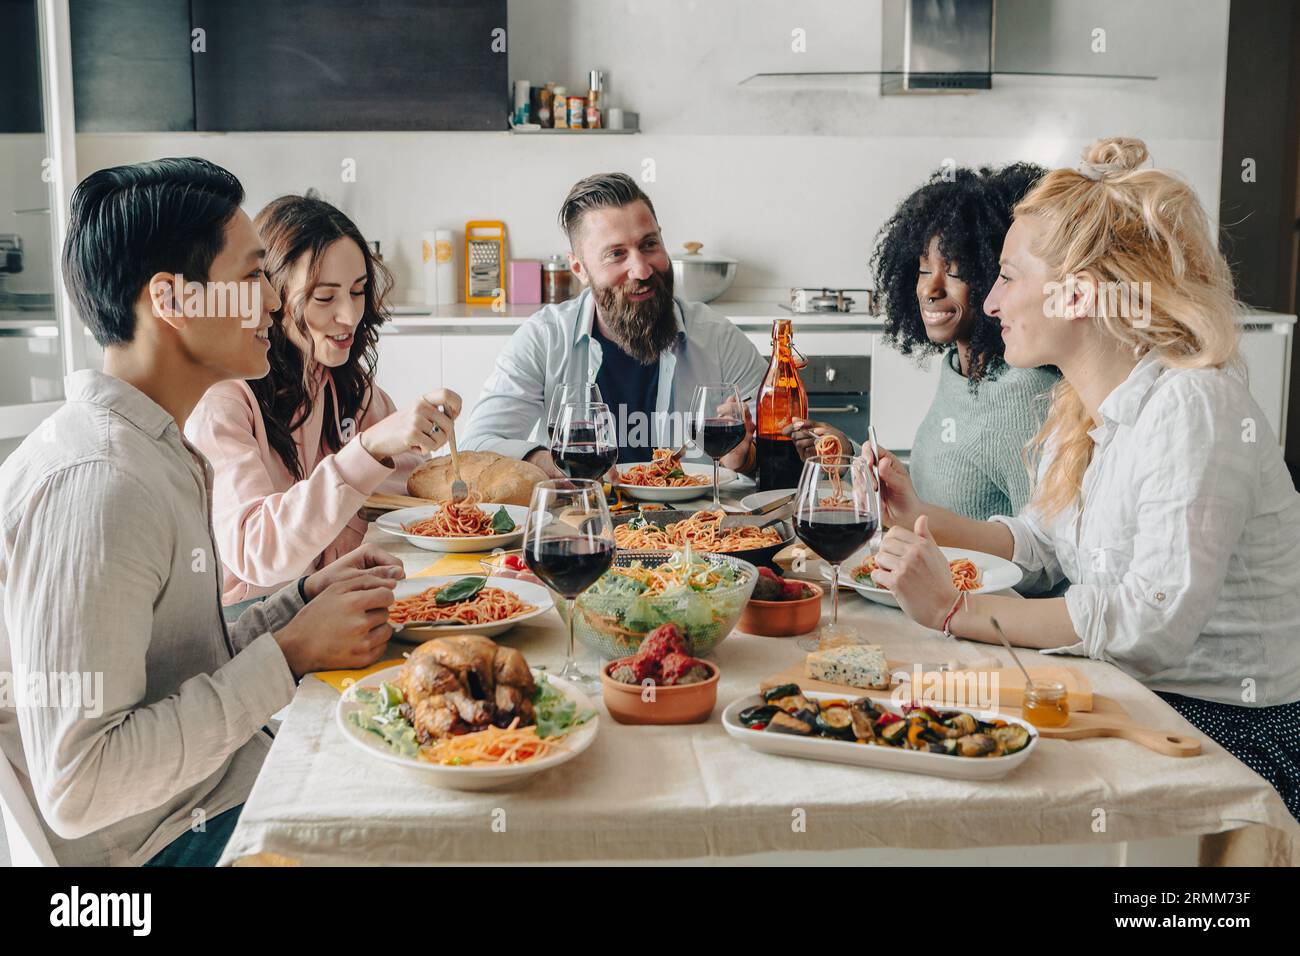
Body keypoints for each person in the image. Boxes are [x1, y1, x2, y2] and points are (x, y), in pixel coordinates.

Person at [869, 138, 1300, 820]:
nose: (990, 302)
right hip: (1136, 699)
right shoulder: (1085, 405)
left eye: (1008, 277)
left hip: (1222, 736)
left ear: (1080, 294)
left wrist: (956, 612)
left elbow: (1147, 622)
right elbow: (1044, 546)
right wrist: (917, 513)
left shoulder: (1193, 408)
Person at [0, 159, 402, 866]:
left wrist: (296, 606)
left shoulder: (155, 445)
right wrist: (289, 653)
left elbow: (173, 669)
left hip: (219, 785)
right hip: (163, 842)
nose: (276, 306)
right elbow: (80, 784)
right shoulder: (98, 484)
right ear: (174, 301)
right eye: (252, 279)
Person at [186, 195, 460, 610]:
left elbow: (414, 490)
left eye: (358, 291)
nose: (350, 316)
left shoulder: (343, 384)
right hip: (246, 623)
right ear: (273, 298)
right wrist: (367, 449)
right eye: (324, 298)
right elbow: (257, 554)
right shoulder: (223, 399)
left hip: (323, 599)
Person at [791, 163, 1058, 522]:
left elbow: (1041, 555)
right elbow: (942, 492)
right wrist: (850, 457)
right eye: (923, 270)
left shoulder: (1025, 397)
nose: (931, 290)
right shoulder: (960, 370)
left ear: (995, 277)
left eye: (955, 272)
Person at [461, 172, 768, 475]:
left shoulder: (719, 340)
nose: (642, 270)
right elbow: (476, 446)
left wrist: (746, 459)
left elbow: (781, 458)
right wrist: (552, 465)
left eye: (649, 245)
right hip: (579, 521)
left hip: (691, 522)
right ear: (580, 268)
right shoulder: (544, 338)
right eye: (616, 254)